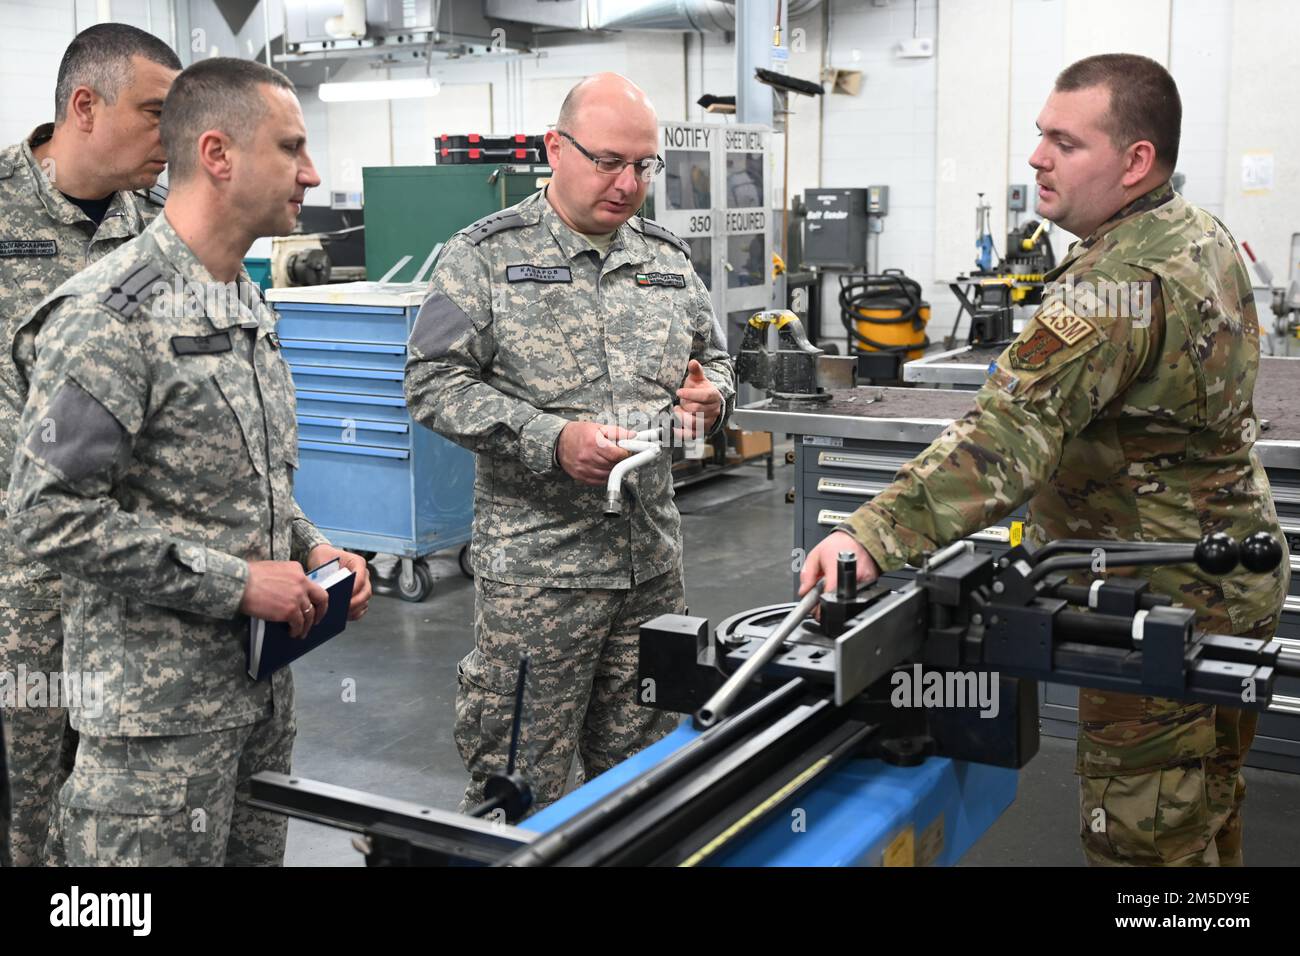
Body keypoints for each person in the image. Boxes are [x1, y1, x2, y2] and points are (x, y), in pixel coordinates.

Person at [799, 54, 1288, 866]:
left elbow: (1006, 440)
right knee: (1207, 814)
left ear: (1136, 161)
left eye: (1065, 141)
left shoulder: (1114, 283)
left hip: (1160, 601)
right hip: (1233, 578)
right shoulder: (1198, 235)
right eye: (1039, 136)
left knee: (1147, 849)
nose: (1036, 158)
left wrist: (872, 536)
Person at [5, 57, 371, 866]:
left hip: (258, 696)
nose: (312, 173)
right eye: (291, 148)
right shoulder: (108, 315)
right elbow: (45, 515)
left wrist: (312, 546)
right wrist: (237, 582)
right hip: (154, 732)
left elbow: (244, 475)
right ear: (217, 155)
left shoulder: (240, 295)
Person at [404, 73, 734, 813]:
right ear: (555, 148)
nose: (627, 183)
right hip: (538, 581)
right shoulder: (482, 258)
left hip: (650, 570)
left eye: (644, 166)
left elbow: (715, 365)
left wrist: (711, 403)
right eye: (608, 161)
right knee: (523, 788)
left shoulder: (666, 260)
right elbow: (430, 383)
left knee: (651, 781)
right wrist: (550, 440)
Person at [0, 22, 180, 867]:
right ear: (84, 107)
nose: (172, 139)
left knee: (121, 805)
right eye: (155, 114)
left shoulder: (160, 230)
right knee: (28, 802)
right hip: (20, 587)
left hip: (128, 578)